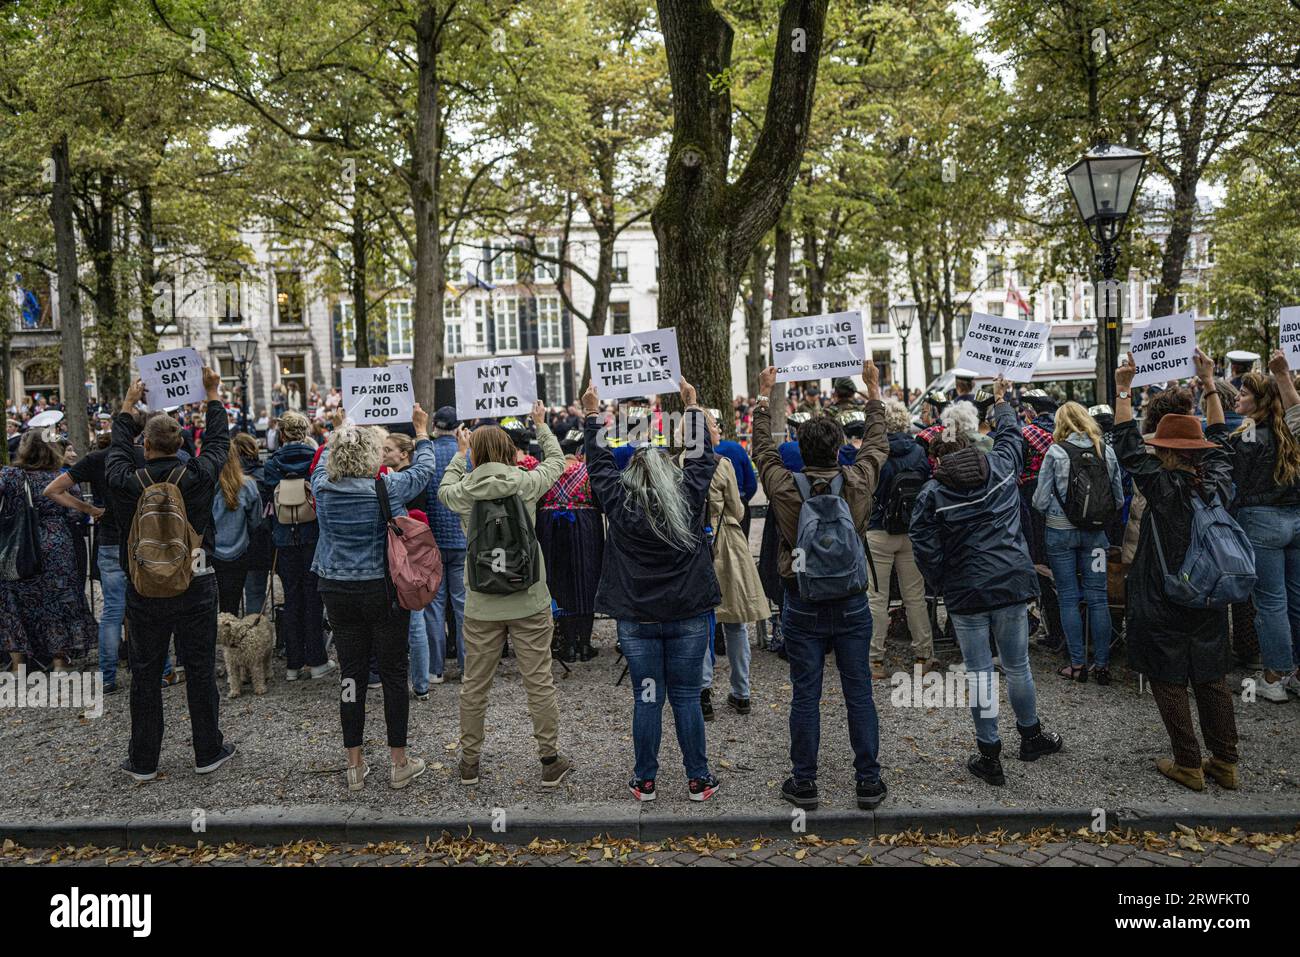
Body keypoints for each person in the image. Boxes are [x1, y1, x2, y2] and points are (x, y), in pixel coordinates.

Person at [910, 374, 1064, 787]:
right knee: (1018, 665)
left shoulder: (933, 493)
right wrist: (1001, 401)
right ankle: (1030, 736)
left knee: (978, 672)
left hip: (966, 590)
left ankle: (989, 754)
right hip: (1010, 581)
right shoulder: (1000, 467)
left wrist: (943, 580)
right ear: (976, 438)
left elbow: (923, 545)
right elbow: (1012, 433)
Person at [751, 360, 890, 812]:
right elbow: (877, 445)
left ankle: (805, 784)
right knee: (859, 693)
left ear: (801, 449)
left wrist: (764, 396)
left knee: (805, 695)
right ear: (838, 451)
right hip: (851, 601)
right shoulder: (858, 481)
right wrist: (873, 391)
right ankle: (868, 783)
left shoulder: (786, 488)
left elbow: (763, 452)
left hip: (802, 601)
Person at [583, 377, 722, 803]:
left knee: (647, 698)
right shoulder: (687, 495)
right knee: (685, 697)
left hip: (638, 619)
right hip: (687, 615)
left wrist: (593, 416)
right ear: (668, 472)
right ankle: (697, 778)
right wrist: (693, 407)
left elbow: (599, 465)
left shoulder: (618, 502)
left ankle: (646, 780)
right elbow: (702, 461)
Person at [1114, 350, 1239, 791]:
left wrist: (1124, 388)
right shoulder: (1218, 478)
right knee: (1211, 677)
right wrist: (1208, 383)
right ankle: (1225, 762)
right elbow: (1224, 438)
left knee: (1168, 678)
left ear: (1164, 450)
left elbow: (1126, 442)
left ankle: (1188, 763)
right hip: (1210, 590)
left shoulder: (1161, 483)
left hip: (1163, 593)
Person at [106, 371, 237, 781]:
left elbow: (114, 452)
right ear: (181, 445)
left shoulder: (127, 480)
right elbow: (219, 443)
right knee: (198, 668)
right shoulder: (197, 476)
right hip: (195, 579)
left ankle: (143, 760)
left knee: (145, 672)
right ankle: (207, 750)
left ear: (144, 446)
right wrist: (213, 394)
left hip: (144, 587)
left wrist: (128, 406)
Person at [437, 401, 573, 789]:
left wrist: (460, 456)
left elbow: (444, 488)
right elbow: (556, 462)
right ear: (509, 452)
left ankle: (469, 762)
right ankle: (549, 760)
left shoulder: (464, 492)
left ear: (477, 454)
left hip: (481, 603)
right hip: (529, 598)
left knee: (474, 685)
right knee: (539, 681)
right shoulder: (525, 484)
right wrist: (542, 427)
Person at [311, 407, 435, 791]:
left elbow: (319, 463)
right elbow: (425, 469)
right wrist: (421, 432)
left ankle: (354, 764)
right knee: (395, 673)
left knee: (351, 674)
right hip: (382, 589)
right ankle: (399, 761)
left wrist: (337, 430)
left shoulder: (321, 486)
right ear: (372, 456)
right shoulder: (387, 487)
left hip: (337, 588)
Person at [1224, 350, 1300, 703]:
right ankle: (1295, 672)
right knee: (1295, 600)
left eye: (1242, 393)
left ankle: (1274, 675)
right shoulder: (1289, 431)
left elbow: (1234, 480)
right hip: (1295, 519)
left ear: (1258, 400)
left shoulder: (1249, 435)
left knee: (1270, 603)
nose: (1237, 396)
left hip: (1262, 520)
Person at [1032, 401, 1124, 683]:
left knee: (1068, 597)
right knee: (1098, 598)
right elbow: (1118, 499)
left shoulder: (1056, 452)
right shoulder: (1105, 451)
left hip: (1060, 533)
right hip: (1096, 536)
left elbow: (1039, 500)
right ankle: (1102, 664)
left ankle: (1076, 664)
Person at [684, 409, 767, 719]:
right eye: (714, 425)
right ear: (705, 432)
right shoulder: (723, 465)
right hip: (727, 544)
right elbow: (739, 509)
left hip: (696, 546)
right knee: (735, 623)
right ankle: (741, 692)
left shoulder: (680, 465)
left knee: (702, 624)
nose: (718, 428)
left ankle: (703, 693)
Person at [1, 432, 94, 672]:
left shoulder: (10, 475)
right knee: (57, 601)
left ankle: (18, 663)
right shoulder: (60, 478)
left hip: (18, 545)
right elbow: (75, 514)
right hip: (56, 544)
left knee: (14, 601)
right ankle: (59, 661)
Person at [44, 432, 123, 690]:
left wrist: (90, 510)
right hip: (138, 538)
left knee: (112, 611)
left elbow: (52, 489)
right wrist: (88, 509)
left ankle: (108, 677)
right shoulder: (139, 455)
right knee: (144, 606)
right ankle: (160, 670)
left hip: (110, 537)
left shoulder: (96, 459)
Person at [262, 410, 334, 682]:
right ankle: (317, 660)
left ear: (281, 434)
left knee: (290, 598)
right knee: (313, 598)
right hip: (312, 535)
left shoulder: (272, 464)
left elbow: (268, 498)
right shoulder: (315, 461)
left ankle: (293, 663)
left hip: (284, 537)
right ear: (306, 433)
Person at [866, 398, 934, 679]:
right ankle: (923, 655)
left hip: (879, 528)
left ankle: (875, 660)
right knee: (915, 596)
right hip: (910, 530)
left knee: (876, 598)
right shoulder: (919, 451)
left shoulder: (875, 452)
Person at [537, 429, 604, 663]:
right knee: (585, 584)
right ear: (578, 452)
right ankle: (584, 644)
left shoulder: (547, 472)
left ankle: (567, 645)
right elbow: (601, 502)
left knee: (559, 584)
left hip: (552, 533)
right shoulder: (589, 472)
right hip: (584, 531)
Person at [416, 407, 468, 686]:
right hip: (461, 539)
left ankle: (435, 668)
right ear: (459, 427)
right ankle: (467, 668)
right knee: (463, 606)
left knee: (433, 607)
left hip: (431, 539)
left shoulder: (425, 455)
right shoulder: (468, 455)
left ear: (435, 427)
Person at [211, 434, 264, 615]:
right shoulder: (248, 486)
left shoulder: (207, 485)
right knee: (231, 603)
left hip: (211, 552)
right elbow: (256, 520)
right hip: (239, 551)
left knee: (211, 603)